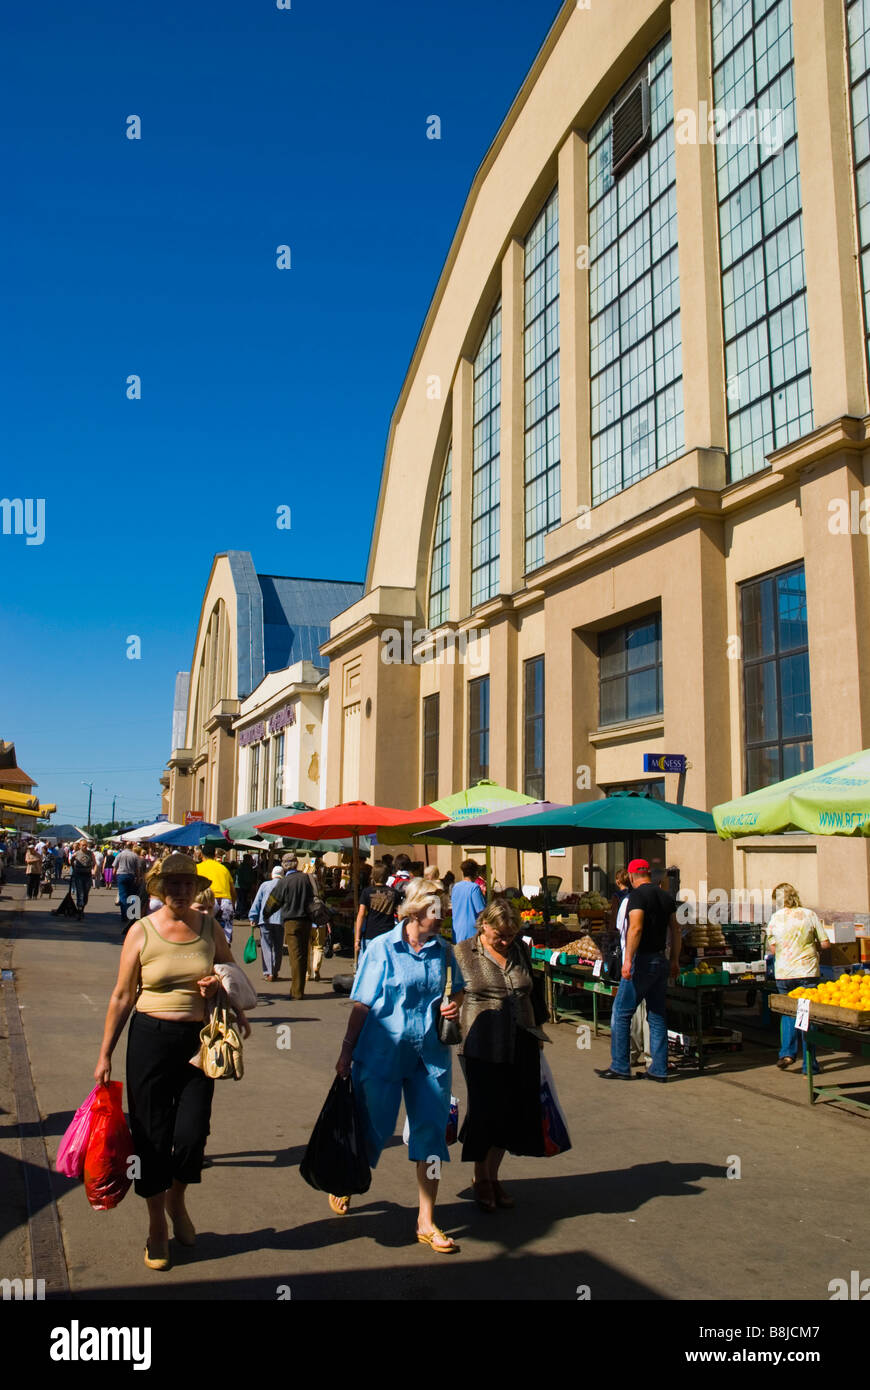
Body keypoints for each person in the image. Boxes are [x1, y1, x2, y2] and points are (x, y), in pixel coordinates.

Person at [93, 852, 250, 1271]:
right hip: (149, 1040)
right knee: (151, 1137)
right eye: (173, 885)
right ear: (161, 890)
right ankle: (156, 1226)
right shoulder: (141, 932)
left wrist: (219, 985)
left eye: (187, 884)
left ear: (195, 889)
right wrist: (105, 1053)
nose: (181, 891)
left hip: (199, 1042)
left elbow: (231, 971)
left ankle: (177, 1201)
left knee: (194, 1132)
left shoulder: (209, 927)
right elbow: (123, 995)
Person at [331, 877, 466, 1253]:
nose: (440, 917)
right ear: (415, 910)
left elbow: (458, 989)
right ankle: (347, 1179)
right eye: (434, 909)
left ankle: (426, 1219)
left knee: (432, 1135)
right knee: (373, 1130)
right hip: (382, 1053)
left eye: (443, 910)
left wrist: (452, 1005)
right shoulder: (381, 948)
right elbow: (361, 1002)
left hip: (431, 1056)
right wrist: (346, 1051)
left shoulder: (444, 950)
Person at [454, 899, 549, 1211]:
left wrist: (537, 1033)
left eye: (511, 934)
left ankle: (493, 1176)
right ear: (484, 926)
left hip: (521, 1040)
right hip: (481, 1044)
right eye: (500, 935)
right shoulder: (463, 952)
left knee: (512, 1113)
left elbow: (531, 991)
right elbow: (451, 997)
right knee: (486, 1112)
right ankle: (480, 1177)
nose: (506, 941)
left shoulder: (520, 949)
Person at [597, 858, 679, 1083]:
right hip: (661, 961)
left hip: (641, 961)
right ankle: (659, 1069)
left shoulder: (636, 896)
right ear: (649, 874)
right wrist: (674, 961)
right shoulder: (666, 897)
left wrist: (627, 960)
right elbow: (676, 929)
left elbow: (636, 927)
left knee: (621, 1013)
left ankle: (620, 1066)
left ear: (632, 876)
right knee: (657, 1015)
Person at [766, 882, 830, 1074]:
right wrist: (812, 949)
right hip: (806, 972)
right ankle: (809, 1063)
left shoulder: (775, 919)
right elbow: (825, 944)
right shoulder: (809, 915)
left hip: (784, 974)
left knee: (788, 1013)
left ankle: (787, 1053)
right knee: (807, 1015)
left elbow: (773, 948)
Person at [611, 869, 650, 1067]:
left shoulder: (630, 900)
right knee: (653, 1013)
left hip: (635, 961)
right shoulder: (662, 899)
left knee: (623, 1010)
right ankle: (654, 1061)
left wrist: (627, 960)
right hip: (656, 960)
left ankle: (624, 1060)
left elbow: (629, 930)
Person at [264, 854, 314, 999]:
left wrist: (265, 914)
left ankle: (297, 992)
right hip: (307, 920)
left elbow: (273, 902)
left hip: (291, 921)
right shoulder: (307, 879)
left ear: (285, 866)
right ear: (296, 864)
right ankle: (298, 988)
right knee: (304, 954)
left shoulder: (284, 882)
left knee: (295, 956)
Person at [354, 864, 401, 956]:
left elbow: (361, 915)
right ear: (387, 877)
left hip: (370, 933)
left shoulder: (366, 892)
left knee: (368, 965)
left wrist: (357, 938)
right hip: (388, 933)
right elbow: (401, 915)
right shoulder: (394, 893)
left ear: (373, 876)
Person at [251, 866, 286, 981]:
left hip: (265, 919)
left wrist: (253, 916)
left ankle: (269, 972)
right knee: (278, 946)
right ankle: (275, 970)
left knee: (266, 945)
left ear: (272, 874)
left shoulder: (264, 885)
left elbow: (258, 901)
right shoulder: (285, 885)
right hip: (280, 919)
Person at [196, 845, 236, 944]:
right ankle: (225, 953)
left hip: (207, 902)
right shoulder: (223, 869)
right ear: (214, 855)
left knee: (204, 933)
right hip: (225, 901)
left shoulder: (197, 868)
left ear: (201, 855)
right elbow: (233, 890)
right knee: (225, 936)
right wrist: (233, 904)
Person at [450, 860, 486, 944]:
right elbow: (482, 911)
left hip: (456, 929)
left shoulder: (455, 887)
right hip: (471, 931)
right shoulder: (474, 888)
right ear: (476, 873)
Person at [114, 843, 144, 930]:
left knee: (123, 895)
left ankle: (124, 915)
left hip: (121, 875)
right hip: (131, 876)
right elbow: (137, 869)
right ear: (131, 847)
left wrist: (114, 876)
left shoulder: (120, 855)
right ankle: (130, 914)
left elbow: (115, 867)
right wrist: (138, 878)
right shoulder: (134, 856)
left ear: (124, 847)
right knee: (130, 895)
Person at [70, 841, 96, 918]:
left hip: (87, 875)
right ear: (80, 846)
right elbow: (71, 860)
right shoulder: (76, 853)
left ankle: (82, 907)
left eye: (85, 845)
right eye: (83, 845)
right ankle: (80, 909)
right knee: (80, 892)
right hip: (79, 875)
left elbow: (95, 863)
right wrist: (73, 868)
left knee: (85, 894)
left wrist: (94, 870)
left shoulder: (90, 853)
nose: (84, 846)